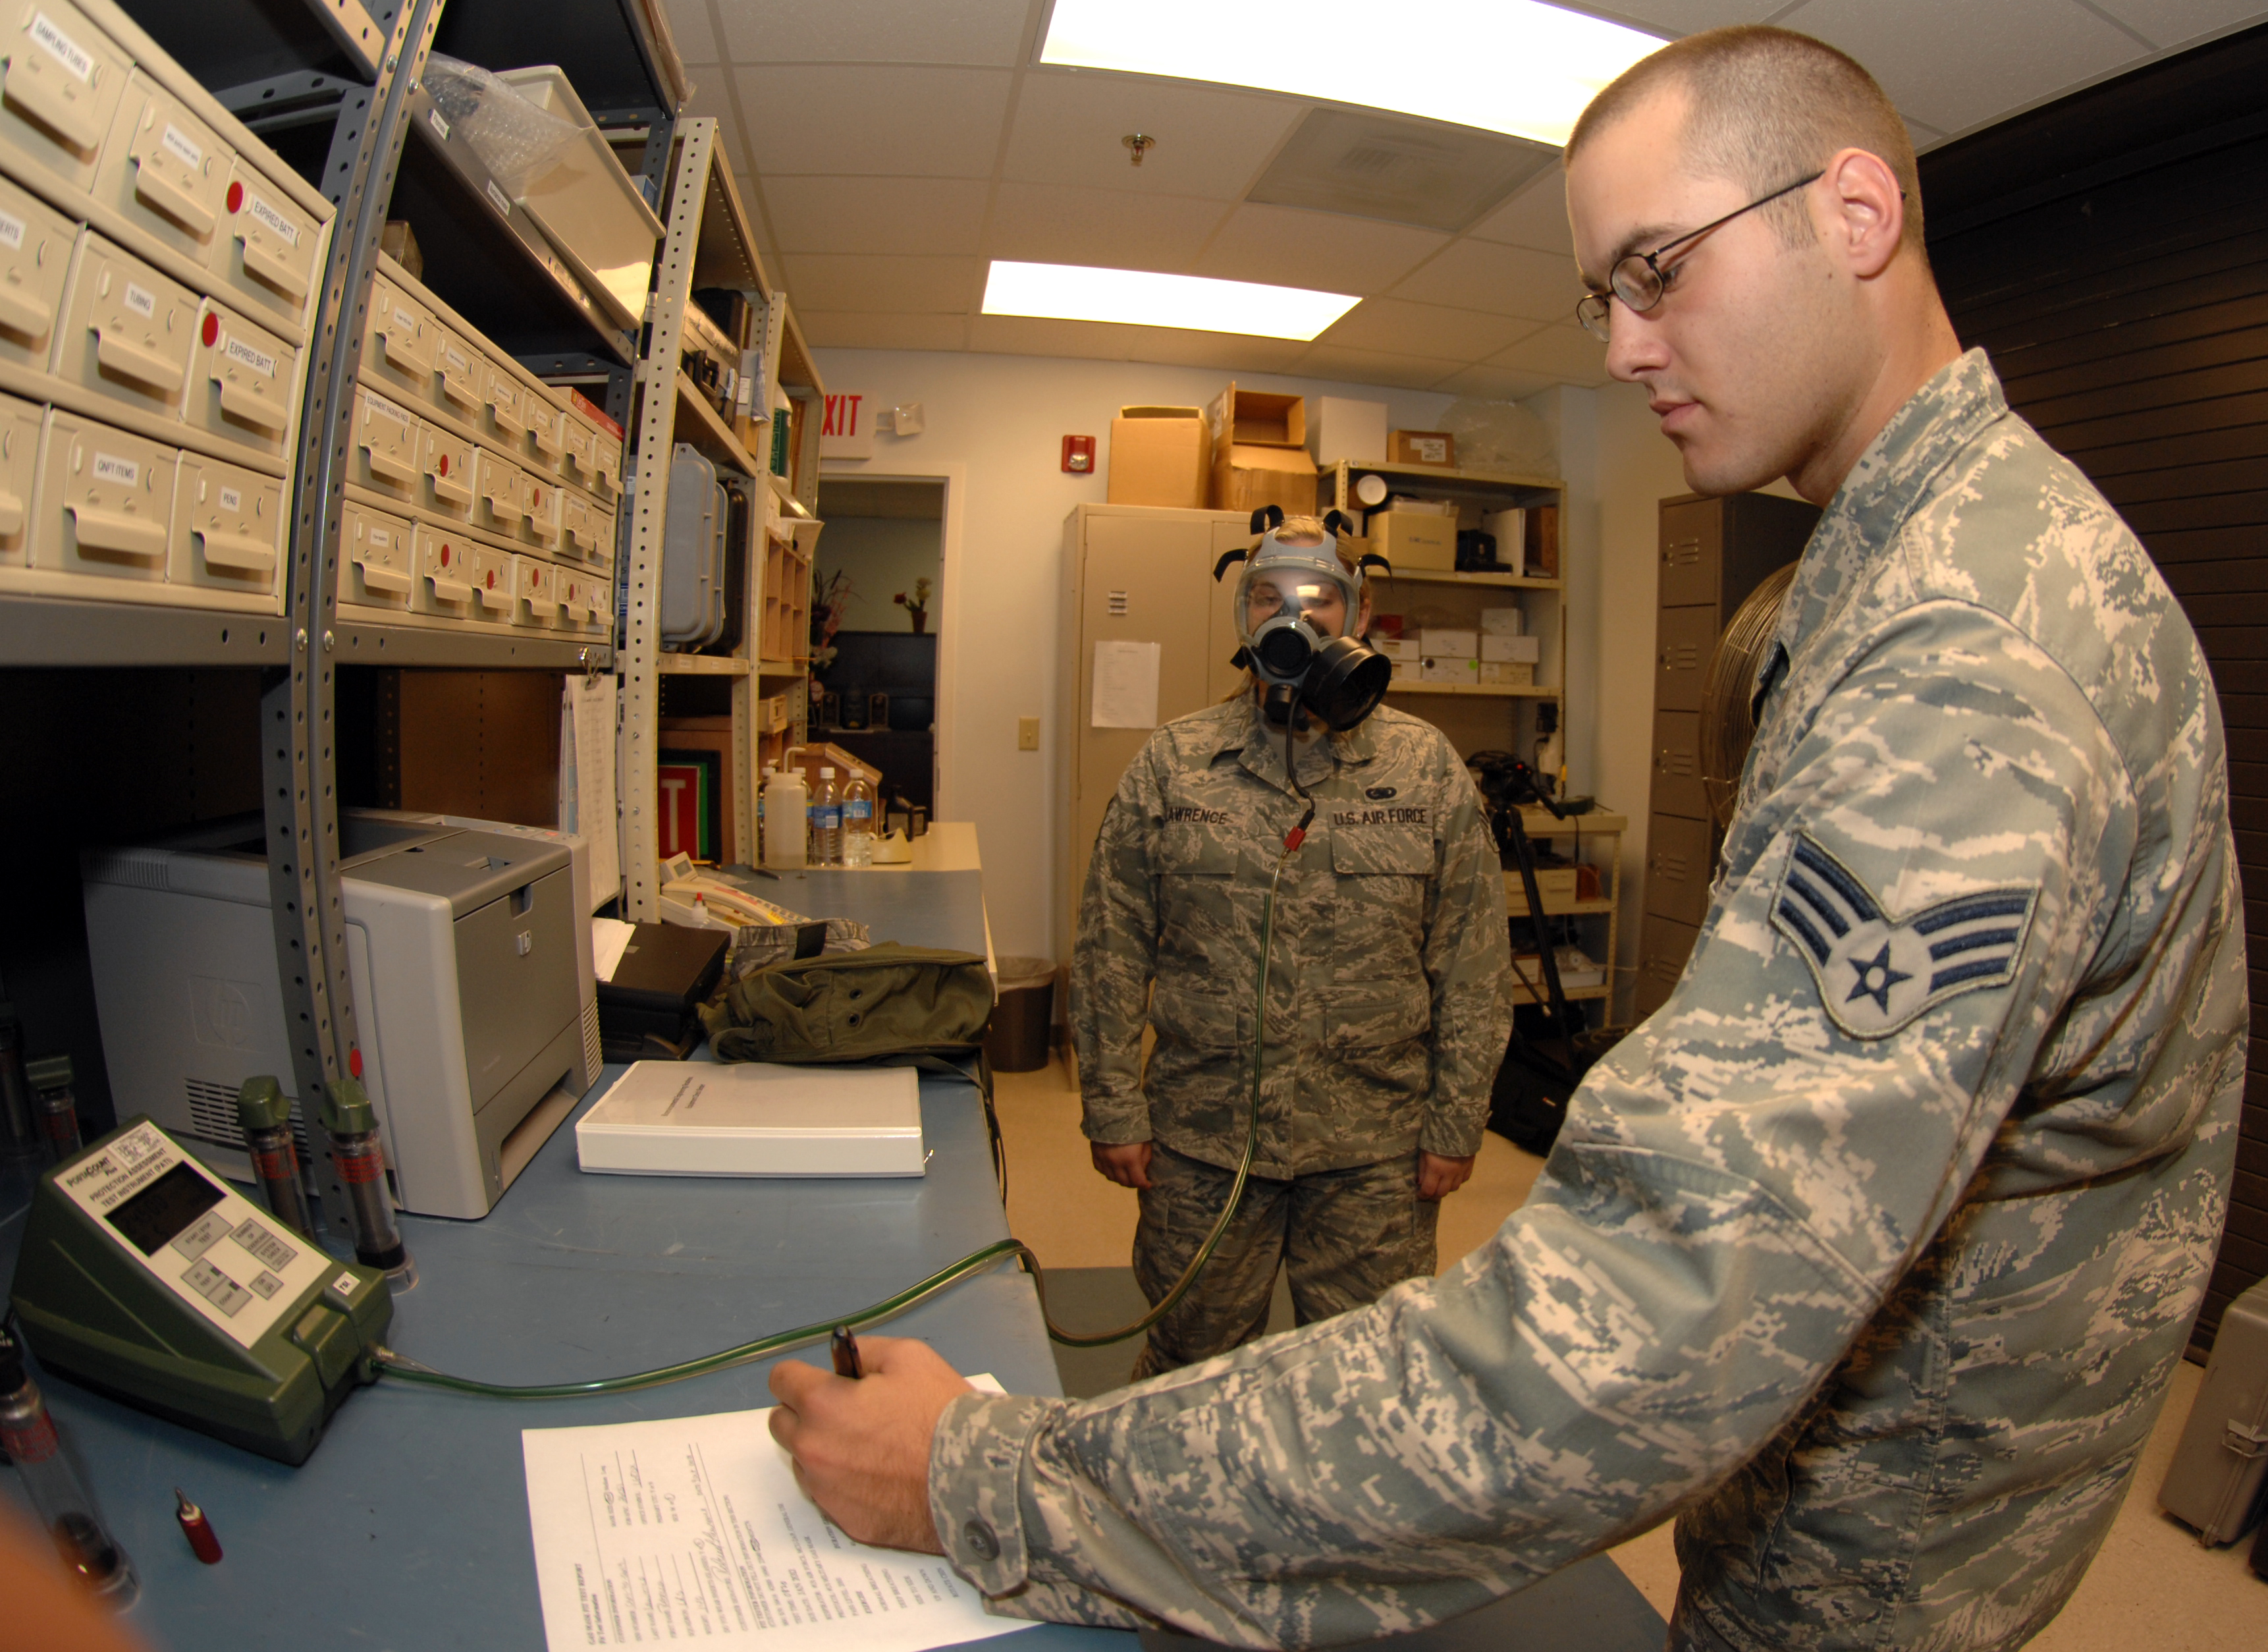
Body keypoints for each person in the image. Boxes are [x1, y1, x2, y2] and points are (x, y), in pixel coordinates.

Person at [767, 26, 2246, 1652]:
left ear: (1854, 215)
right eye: (1599, 294)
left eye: (1658, 269)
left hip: (1878, 1560)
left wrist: (982, 1478)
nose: (1621, 348)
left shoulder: (1964, 651)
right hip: (1825, 1480)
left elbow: (1641, 1328)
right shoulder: (1913, 576)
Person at [1073, 514, 1513, 1378]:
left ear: (1359, 611)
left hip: (1373, 1150)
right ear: (1242, 617)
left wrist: (1456, 1119)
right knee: (1190, 1367)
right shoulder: (1176, 763)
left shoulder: (1425, 769)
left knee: (1367, 1373)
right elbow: (1112, 941)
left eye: (1318, 601)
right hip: (1204, 1140)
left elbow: (1471, 957)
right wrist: (1114, 1103)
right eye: (1266, 599)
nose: (1293, 620)